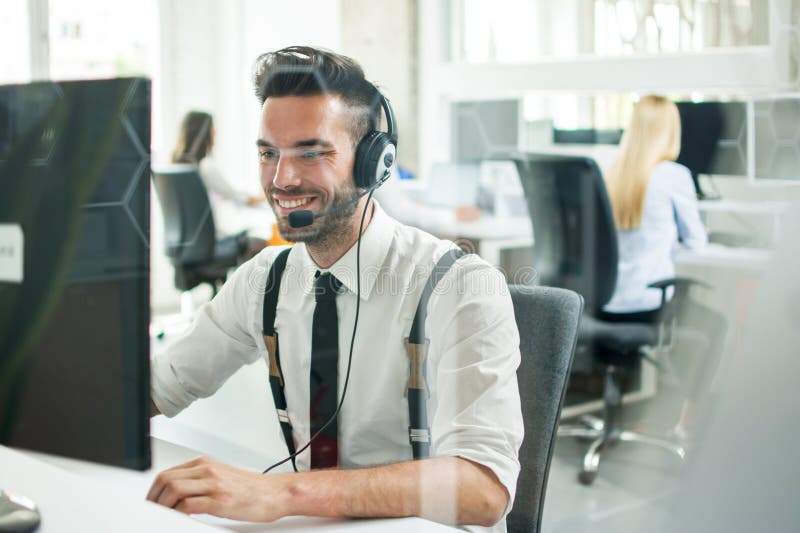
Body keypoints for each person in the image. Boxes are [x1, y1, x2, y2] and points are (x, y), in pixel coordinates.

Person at [148, 46, 523, 531]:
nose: (281, 179)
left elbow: (484, 488)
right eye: (268, 153)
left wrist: (286, 491)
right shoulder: (265, 278)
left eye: (312, 151)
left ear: (372, 163)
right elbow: (158, 388)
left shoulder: (461, 286)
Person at [602, 95, 723, 439]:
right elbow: (697, 242)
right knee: (715, 325)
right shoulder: (673, 175)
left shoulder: (615, 172)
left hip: (607, 304)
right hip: (646, 306)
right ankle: (689, 423)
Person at [172, 111, 270, 254]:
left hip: (183, 246)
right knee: (260, 244)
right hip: (208, 246)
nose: (215, 132)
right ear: (204, 134)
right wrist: (264, 196)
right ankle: (242, 277)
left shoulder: (177, 168)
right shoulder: (205, 168)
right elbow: (238, 197)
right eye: (213, 128)